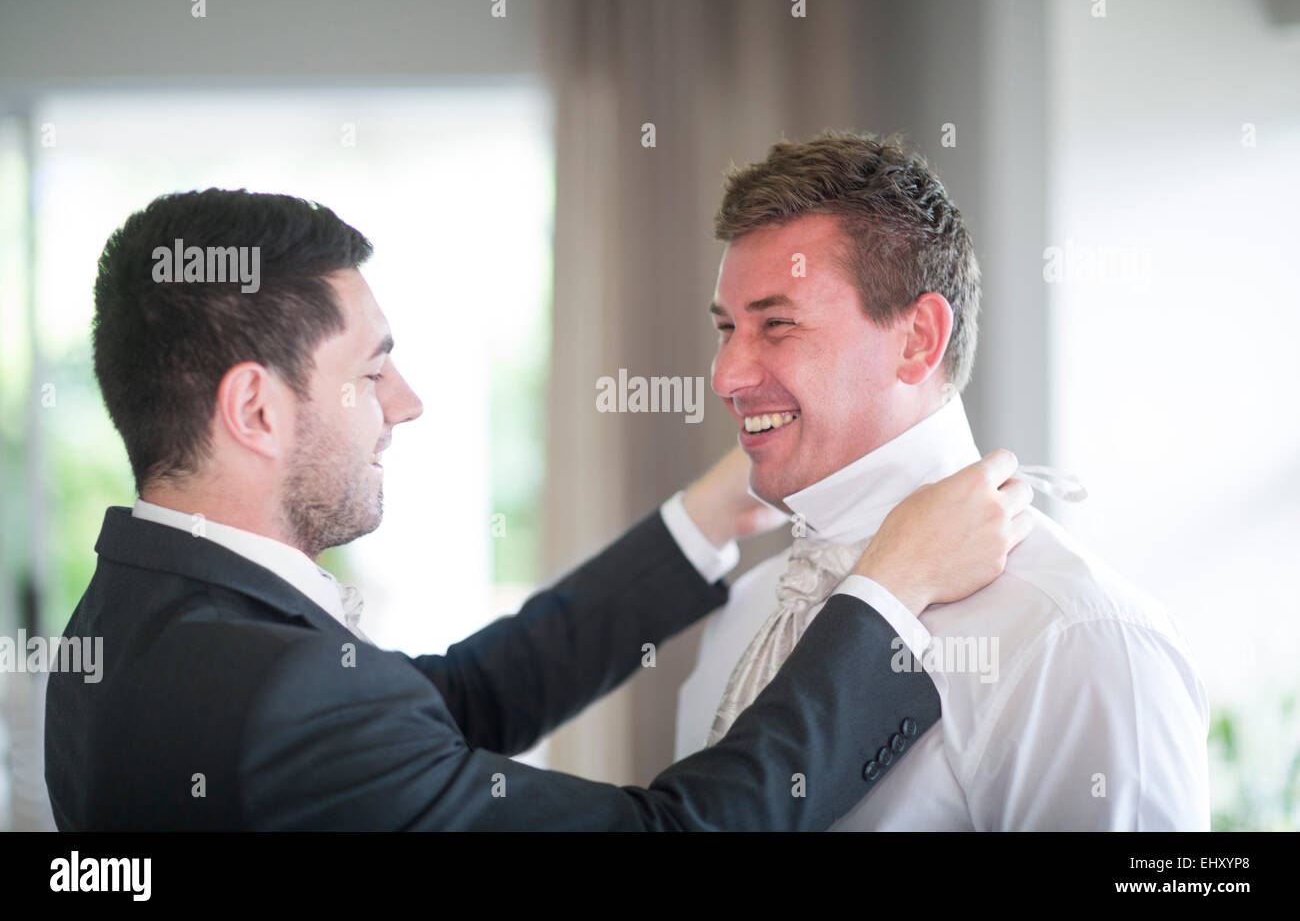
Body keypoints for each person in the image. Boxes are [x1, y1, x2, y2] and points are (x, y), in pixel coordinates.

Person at [44, 188, 1030, 830]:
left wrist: (701, 521)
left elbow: (459, 700)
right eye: (373, 370)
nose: (406, 403)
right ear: (255, 409)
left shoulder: (126, 626)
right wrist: (886, 593)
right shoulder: (278, 692)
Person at [675, 132, 1210, 830]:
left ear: (918, 339)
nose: (725, 376)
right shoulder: (742, 617)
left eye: (776, 323)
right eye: (726, 328)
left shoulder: (1080, 639)